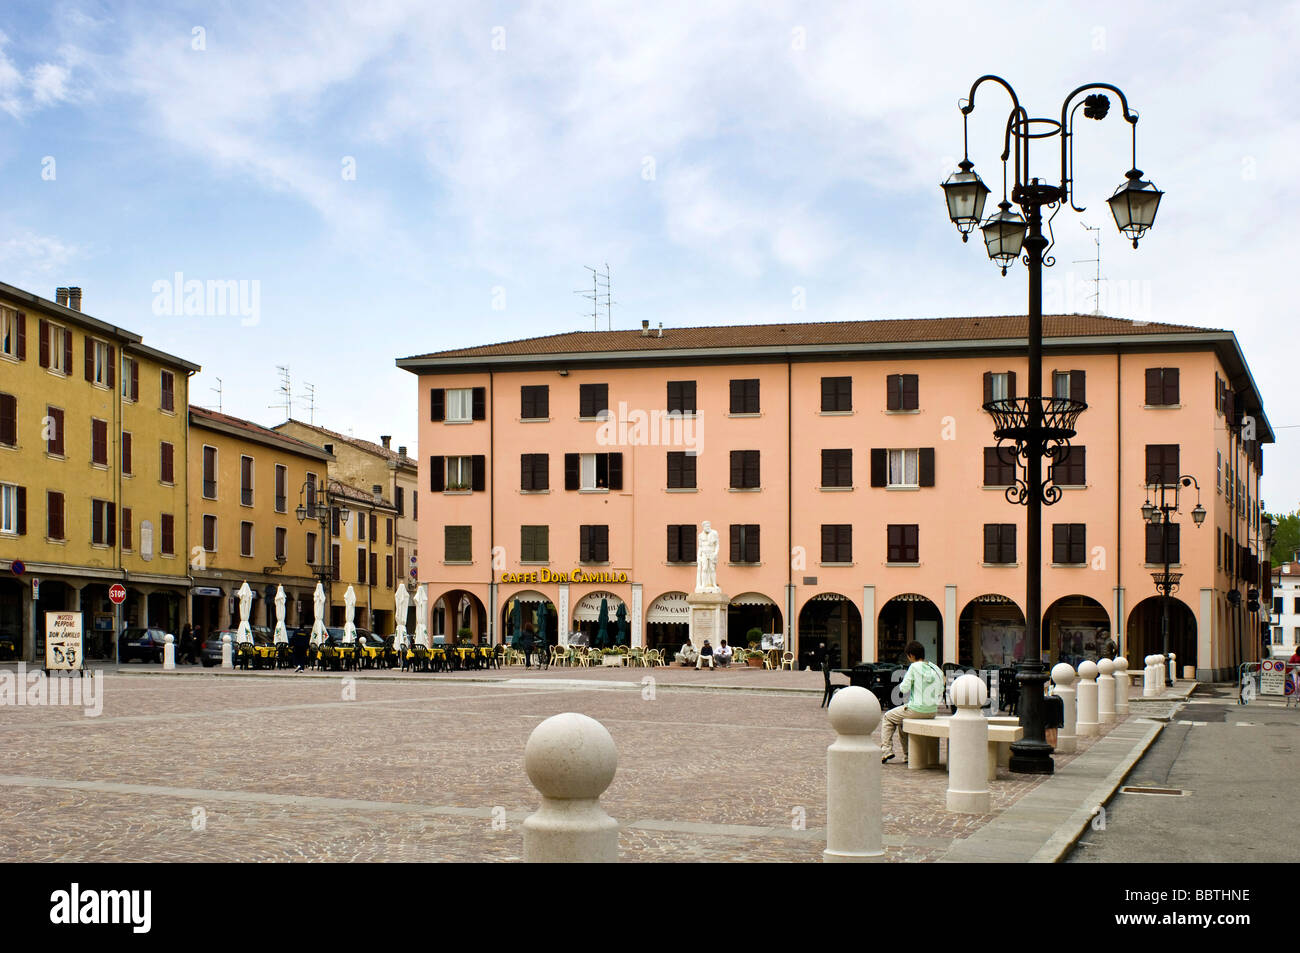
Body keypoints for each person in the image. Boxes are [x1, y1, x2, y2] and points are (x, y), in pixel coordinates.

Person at [881, 641, 944, 764]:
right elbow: (941, 688)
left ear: (911, 655)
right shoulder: (934, 668)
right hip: (932, 711)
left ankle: (886, 750)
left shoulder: (914, 667)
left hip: (916, 709)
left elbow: (904, 688)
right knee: (901, 722)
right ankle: (907, 755)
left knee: (888, 717)